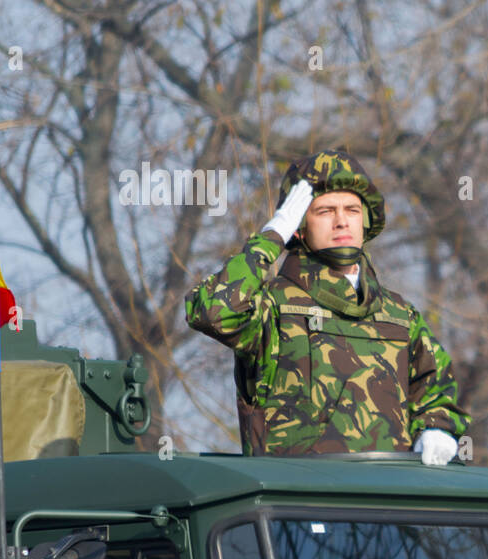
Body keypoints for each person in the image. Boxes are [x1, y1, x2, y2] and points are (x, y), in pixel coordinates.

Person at [185, 149, 470, 462]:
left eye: (352, 210)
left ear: (366, 221)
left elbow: (436, 388)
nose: (341, 222)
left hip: (387, 490)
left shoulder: (400, 316)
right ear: (299, 226)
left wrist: (436, 428)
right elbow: (212, 312)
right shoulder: (272, 308)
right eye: (325, 211)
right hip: (293, 491)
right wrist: (270, 238)